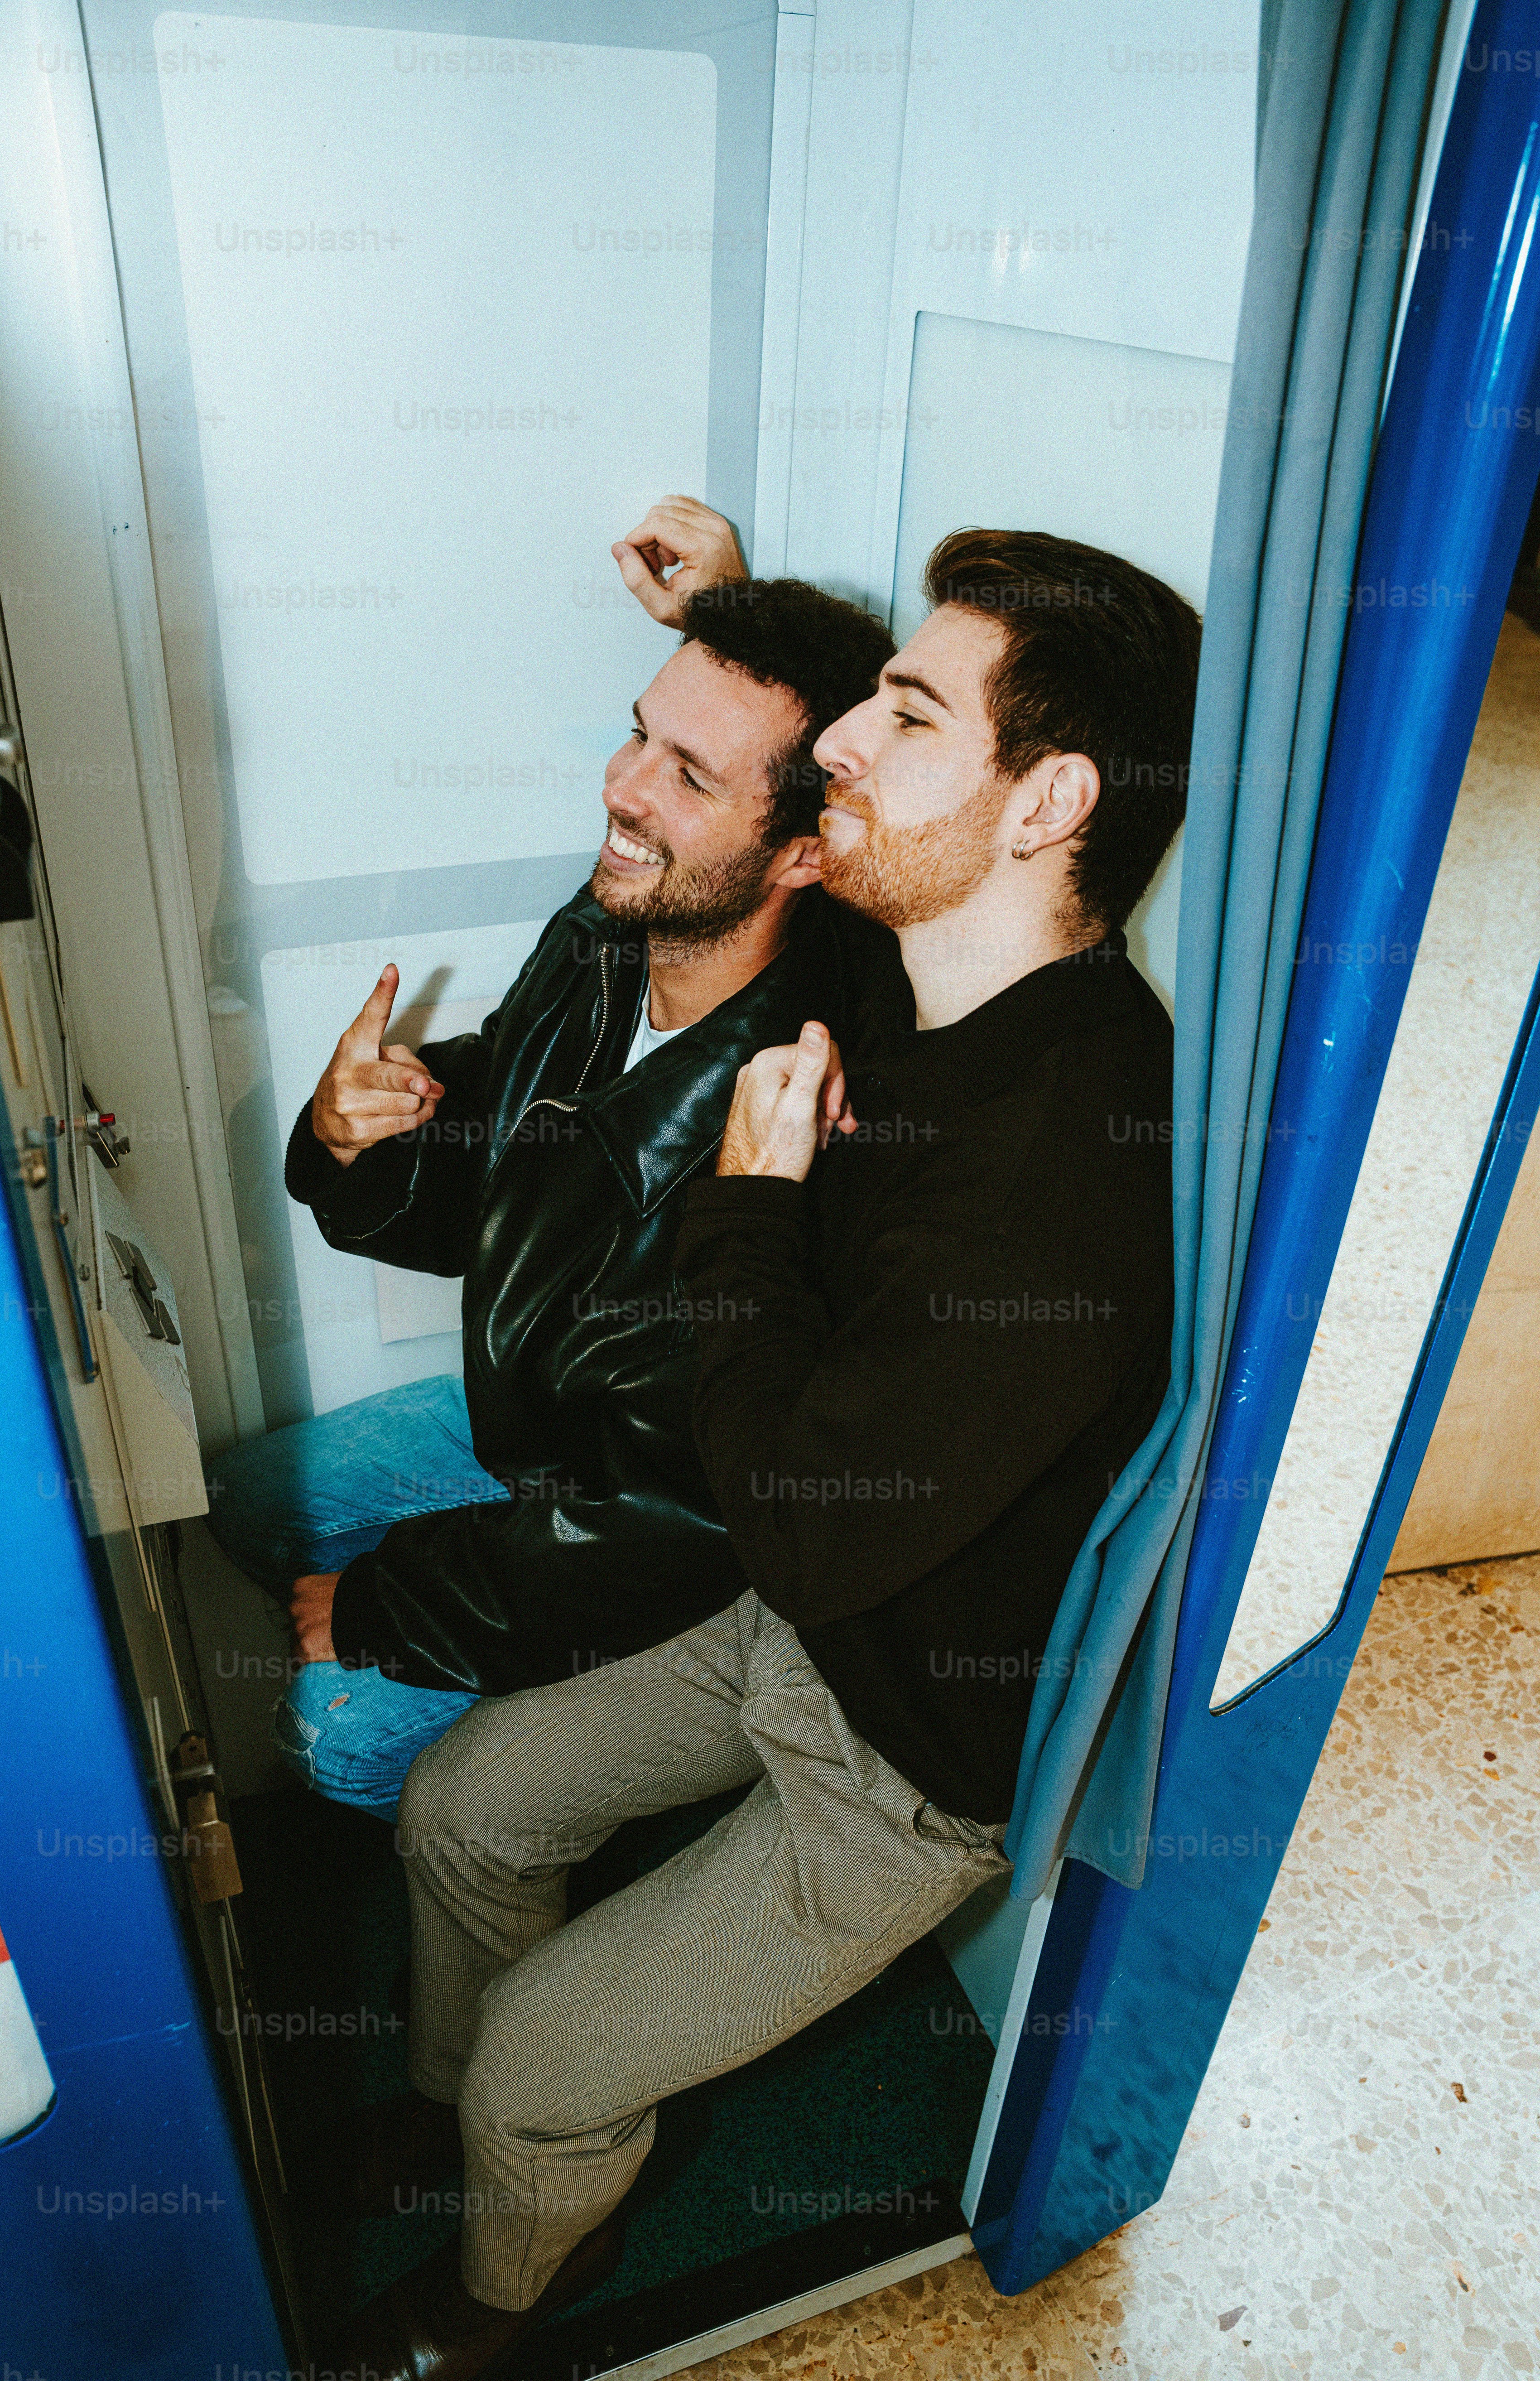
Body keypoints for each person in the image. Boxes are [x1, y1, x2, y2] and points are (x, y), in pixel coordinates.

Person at [332, 528, 1201, 2378]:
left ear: (1047, 799)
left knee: (555, 2058)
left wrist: (747, 1207)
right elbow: (730, 820)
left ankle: (509, 2300)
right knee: (460, 1810)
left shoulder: (1061, 1183)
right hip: (802, 1624)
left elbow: (806, 1523)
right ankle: (454, 2123)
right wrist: (709, 583)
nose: (846, 753)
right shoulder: (921, 977)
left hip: (902, 1751)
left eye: (903, 713)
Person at [206, 498, 895, 1818]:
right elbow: (512, 1151)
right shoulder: (618, 923)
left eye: (689, 776)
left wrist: (384, 1606)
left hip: (658, 1524)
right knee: (240, 1506)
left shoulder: (791, 1127)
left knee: (334, 1733)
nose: (624, 786)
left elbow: (674, 1522)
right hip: (534, 1412)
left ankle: (636, 1775)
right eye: (644, 733)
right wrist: (370, 1133)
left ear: (809, 852)